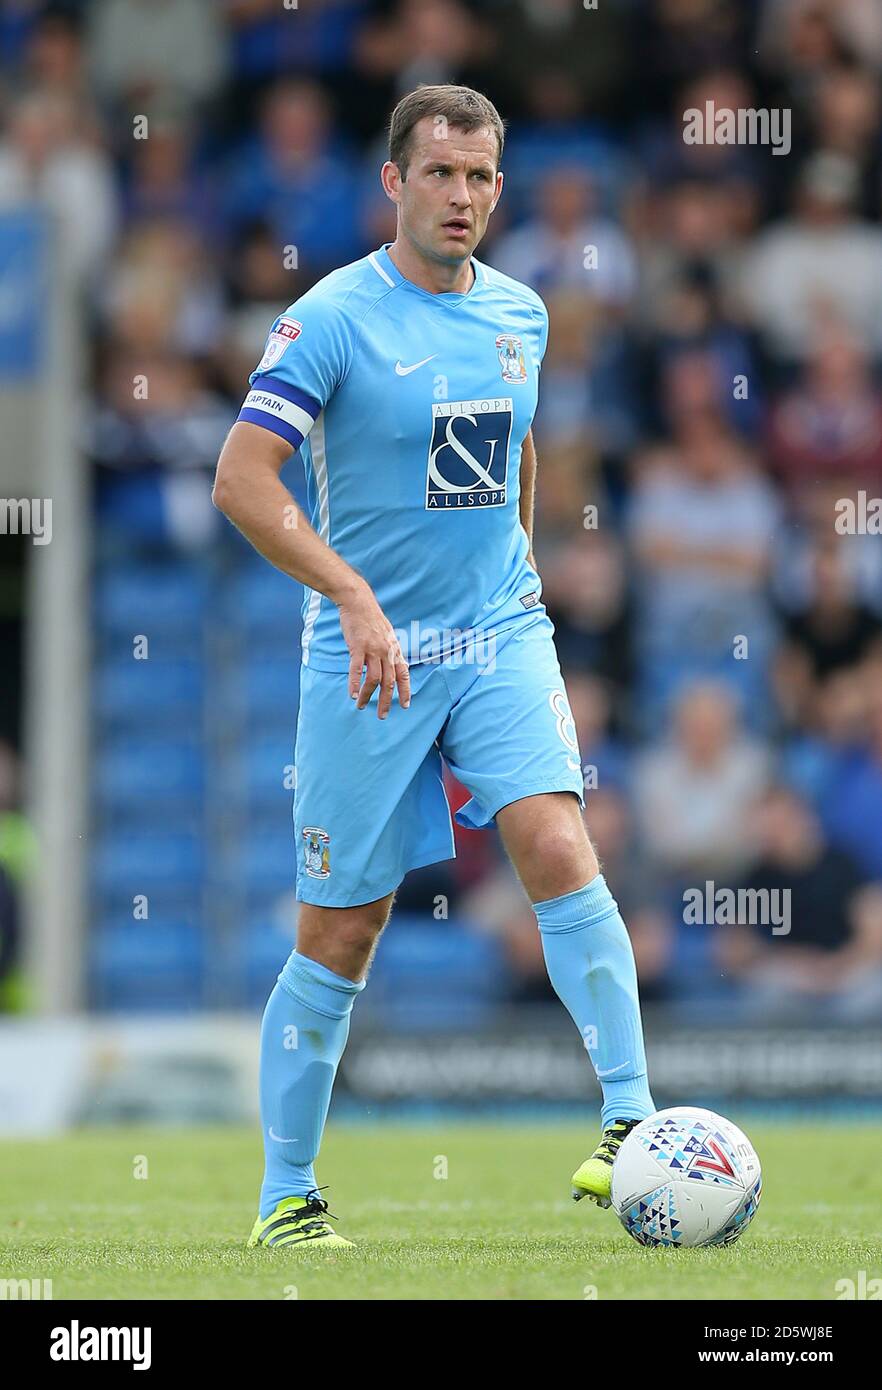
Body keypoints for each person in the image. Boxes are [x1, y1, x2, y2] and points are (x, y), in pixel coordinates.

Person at [212, 84, 655, 1251]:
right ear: (394, 183)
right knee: (341, 929)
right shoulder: (331, 318)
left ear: (500, 189)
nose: (461, 196)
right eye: (440, 174)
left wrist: (517, 576)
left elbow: (508, 466)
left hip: (497, 633)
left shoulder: (522, 313)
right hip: (369, 658)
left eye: (480, 177)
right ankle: (286, 1198)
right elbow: (241, 480)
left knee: (557, 840)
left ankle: (631, 1126)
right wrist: (351, 593)